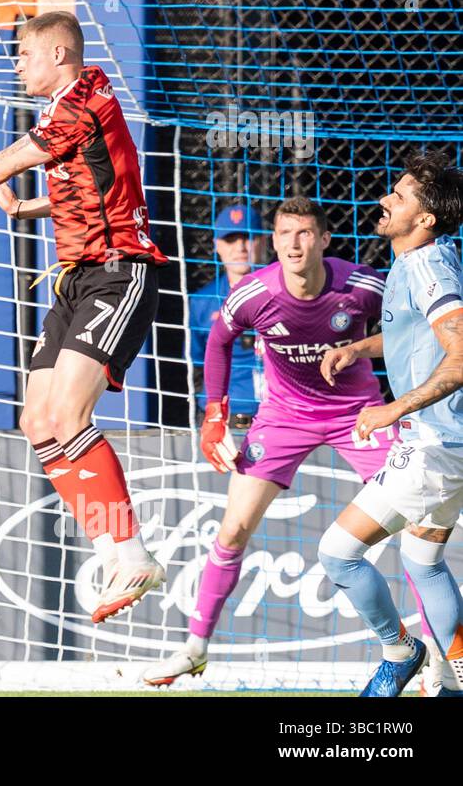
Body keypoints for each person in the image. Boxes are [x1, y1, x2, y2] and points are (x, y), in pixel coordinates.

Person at [0, 10, 168, 623]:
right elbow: (91, 182)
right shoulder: (71, 112)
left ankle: (132, 553)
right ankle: (113, 552)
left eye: (22, 54)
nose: (15, 64)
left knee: (70, 413)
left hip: (119, 271)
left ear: (57, 53)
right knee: (36, 421)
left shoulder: (79, 103)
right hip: (75, 278)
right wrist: (30, 208)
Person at [141, 197, 393, 686]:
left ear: (323, 240)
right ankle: (194, 648)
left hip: (358, 415)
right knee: (232, 531)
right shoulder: (252, 293)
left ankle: (441, 659)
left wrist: (365, 352)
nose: (294, 245)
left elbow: (413, 330)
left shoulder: (363, 285)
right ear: (273, 242)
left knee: (422, 526)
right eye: (284, 235)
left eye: (304, 234)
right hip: (283, 418)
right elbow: (217, 342)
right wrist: (213, 415)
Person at [316, 150, 463, 697]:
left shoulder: (425, 265)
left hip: (432, 446)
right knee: (423, 561)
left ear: (425, 219)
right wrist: (360, 347)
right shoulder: (423, 259)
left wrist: (391, 410)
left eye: (398, 197)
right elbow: (422, 335)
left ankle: (400, 651)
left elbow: (461, 352)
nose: (384, 199)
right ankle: (451, 686)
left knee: (337, 552)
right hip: (451, 444)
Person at [189, 204, 270, 423]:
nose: (240, 247)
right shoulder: (201, 302)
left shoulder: (284, 291)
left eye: (247, 237)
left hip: (278, 415)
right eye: (230, 240)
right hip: (223, 417)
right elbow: (196, 361)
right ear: (217, 246)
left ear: (263, 241)